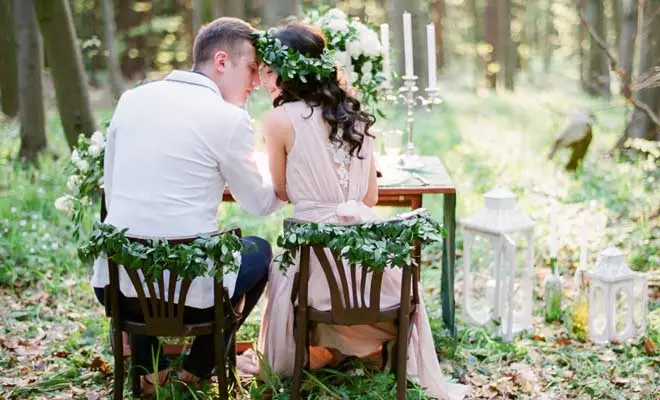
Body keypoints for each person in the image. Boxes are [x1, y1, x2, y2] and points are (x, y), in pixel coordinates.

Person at [249, 23, 469, 399]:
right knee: (364, 271)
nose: (265, 78)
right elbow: (369, 197)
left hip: (316, 266)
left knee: (284, 267)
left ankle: (321, 351)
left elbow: (282, 190)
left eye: (270, 70)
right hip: (369, 270)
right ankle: (353, 350)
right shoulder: (356, 115)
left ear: (291, 70)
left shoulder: (278, 120)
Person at [90, 17, 284, 395]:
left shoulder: (132, 99)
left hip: (115, 289)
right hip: (191, 302)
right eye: (252, 69)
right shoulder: (229, 119)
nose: (257, 81)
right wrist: (286, 173)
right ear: (222, 61)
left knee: (144, 245)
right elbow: (260, 202)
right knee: (259, 250)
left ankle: (149, 373)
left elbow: (111, 192)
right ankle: (197, 367)